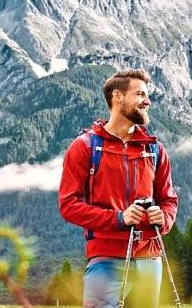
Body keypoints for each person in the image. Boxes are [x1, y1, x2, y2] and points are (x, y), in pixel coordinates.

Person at [59, 69, 178, 308]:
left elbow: (169, 201)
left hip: (149, 259)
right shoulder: (85, 147)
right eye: (140, 94)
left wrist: (163, 217)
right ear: (118, 96)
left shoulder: (155, 150)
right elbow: (68, 205)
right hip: (104, 259)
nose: (148, 101)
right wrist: (119, 218)